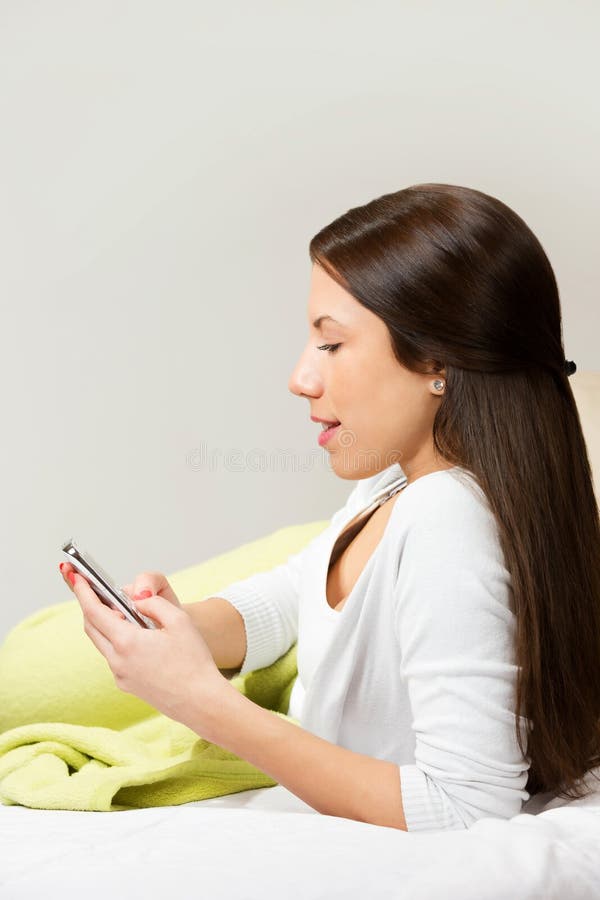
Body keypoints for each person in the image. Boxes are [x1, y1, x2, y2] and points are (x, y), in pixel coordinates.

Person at [60, 182, 600, 832]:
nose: (300, 378)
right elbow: (301, 595)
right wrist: (181, 628)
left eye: (332, 343)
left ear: (436, 360)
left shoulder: (448, 519)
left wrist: (203, 703)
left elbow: (465, 806)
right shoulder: (395, 488)